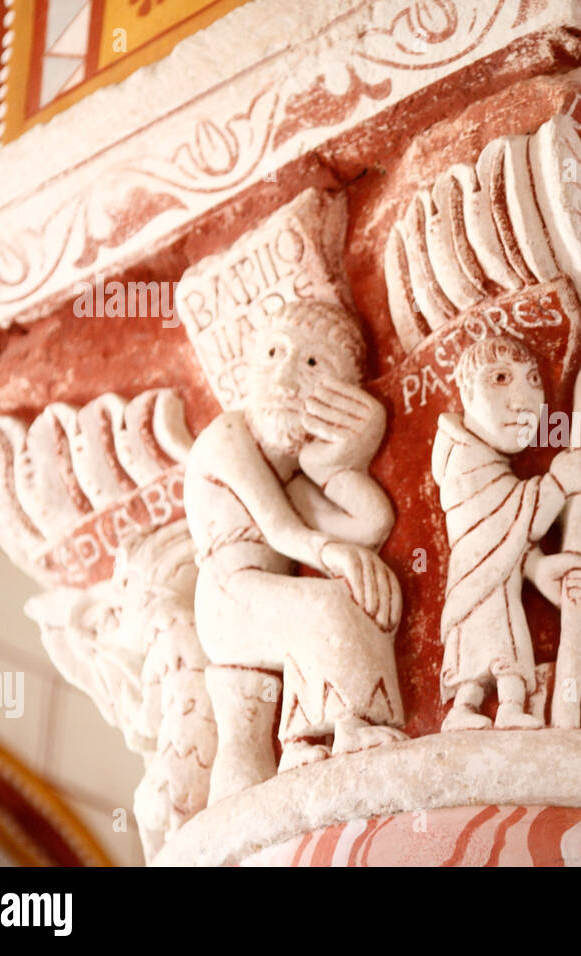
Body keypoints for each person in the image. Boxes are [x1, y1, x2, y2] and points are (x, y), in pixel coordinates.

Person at [184, 300, 405, 800]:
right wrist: (336, 556)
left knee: (243, 750)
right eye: (272, 352)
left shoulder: (293, 474)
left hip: (253, 597)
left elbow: (371, 523)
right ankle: (346, 726)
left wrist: (345, 456)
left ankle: (302, 746)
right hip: (227, 596)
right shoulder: (227, 436)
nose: (285, 373)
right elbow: (282, 530)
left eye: (312, 364)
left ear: (337, 394)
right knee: (326, 605)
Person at [433, 335, 581, 731]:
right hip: (478, 590)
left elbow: (500, 537)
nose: (523, 401)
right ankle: (487, 709)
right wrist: (559, 482)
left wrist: (539, 569)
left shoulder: (485, 460)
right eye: (499, 378)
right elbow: (503, 518)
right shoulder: (461, 460)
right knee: (499, 646)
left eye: (533, 380)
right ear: (463, 390)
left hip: (492, 584)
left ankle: (492, 709)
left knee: (496, 648)